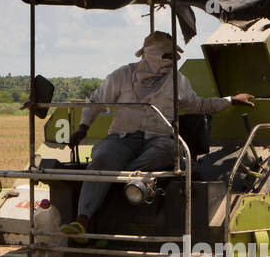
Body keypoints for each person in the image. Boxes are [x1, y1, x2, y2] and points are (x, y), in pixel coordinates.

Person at [60, 30, 254, 237]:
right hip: (122, 137)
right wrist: (83, 128)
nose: (173, 60)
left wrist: (230, 100)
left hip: (158, 139)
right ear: (150, 54)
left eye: (174, 56)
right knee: (103, 159)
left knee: (168, 151)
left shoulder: (178, 81)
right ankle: (82, 219)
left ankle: (121, 177)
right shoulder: (122, 76)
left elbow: (198, 105)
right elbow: (96, 101)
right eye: (167, 55)